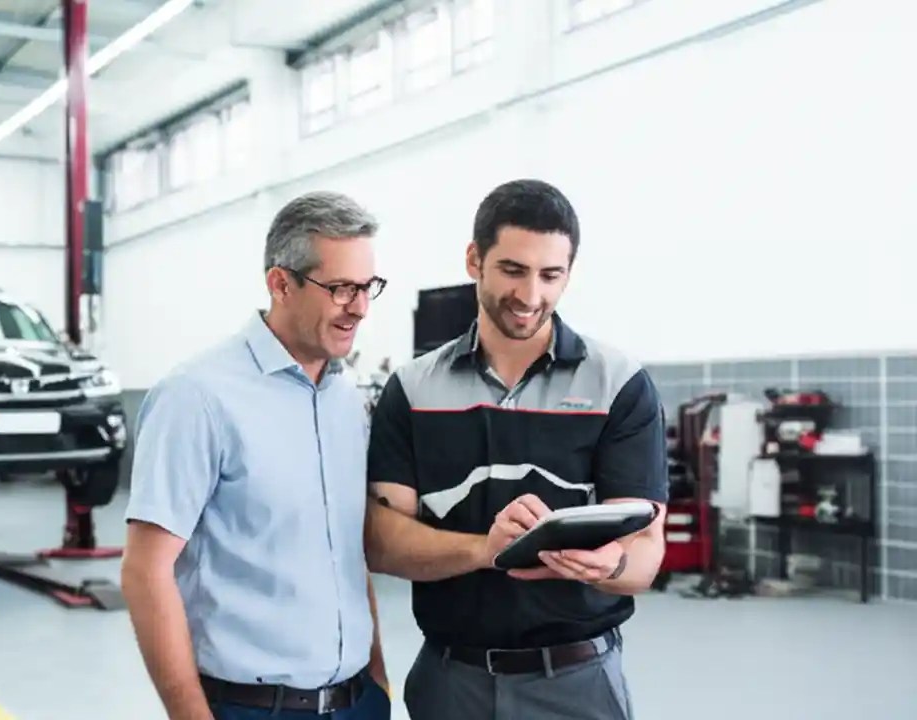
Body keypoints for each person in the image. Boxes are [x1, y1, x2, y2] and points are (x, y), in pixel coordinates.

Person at [364, 178, 668, 720]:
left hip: (578, 685)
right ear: (474, 259)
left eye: (551, 275)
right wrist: (489, 549)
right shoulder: (411, 391)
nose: (531, 296)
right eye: (512, 270)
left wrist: (605, 563)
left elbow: (645, 554)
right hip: (449, 684)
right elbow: (382, 543)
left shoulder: (619, 384)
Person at [121, 191, 393, 720]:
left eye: (367, 288)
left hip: (357, 702)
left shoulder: (345, 397)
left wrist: (376, 677)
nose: (359, 307)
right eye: (340, 288)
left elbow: (347, 552)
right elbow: (145, 570)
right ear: (280, 283)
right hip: (251, 707)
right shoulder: (197, 397)